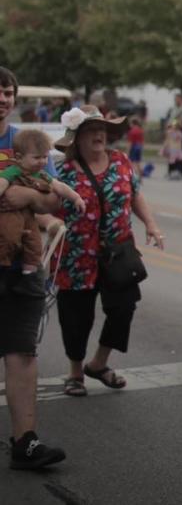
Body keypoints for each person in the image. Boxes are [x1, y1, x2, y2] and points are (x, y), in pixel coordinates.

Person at [52, 106, 165, 397]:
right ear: (77, 137)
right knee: (76, 316)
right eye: (91, 129)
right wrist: (50, 225)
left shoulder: (121, 162)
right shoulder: (61, 171)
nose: (99, 134)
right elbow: (46, 209)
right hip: (76, 255)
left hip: (118, 252)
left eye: (102, 129)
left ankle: (98, 364)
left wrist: (151, 225)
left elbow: (135, 194)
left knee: (123, 307)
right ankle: (75, 373)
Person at [0, 68, 67, 470]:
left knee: (22, 350)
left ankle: (25, 442)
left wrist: (20, 193)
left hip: (21, 265)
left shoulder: (25, 140)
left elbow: (49, 200)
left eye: (7, 92)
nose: (3, 99)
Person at [0, 130, 84, 282]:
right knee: (9, 237)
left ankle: (30, 269)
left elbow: (59, 187)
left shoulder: (42, 174)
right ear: (19, 158)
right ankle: (4, 261)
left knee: (34, 242)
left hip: (30, 218)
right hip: (10, 216)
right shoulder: (13, 170)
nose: (43, 162)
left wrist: (76, 197)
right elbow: (2, 183)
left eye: (45, 157)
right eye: (37, 158)